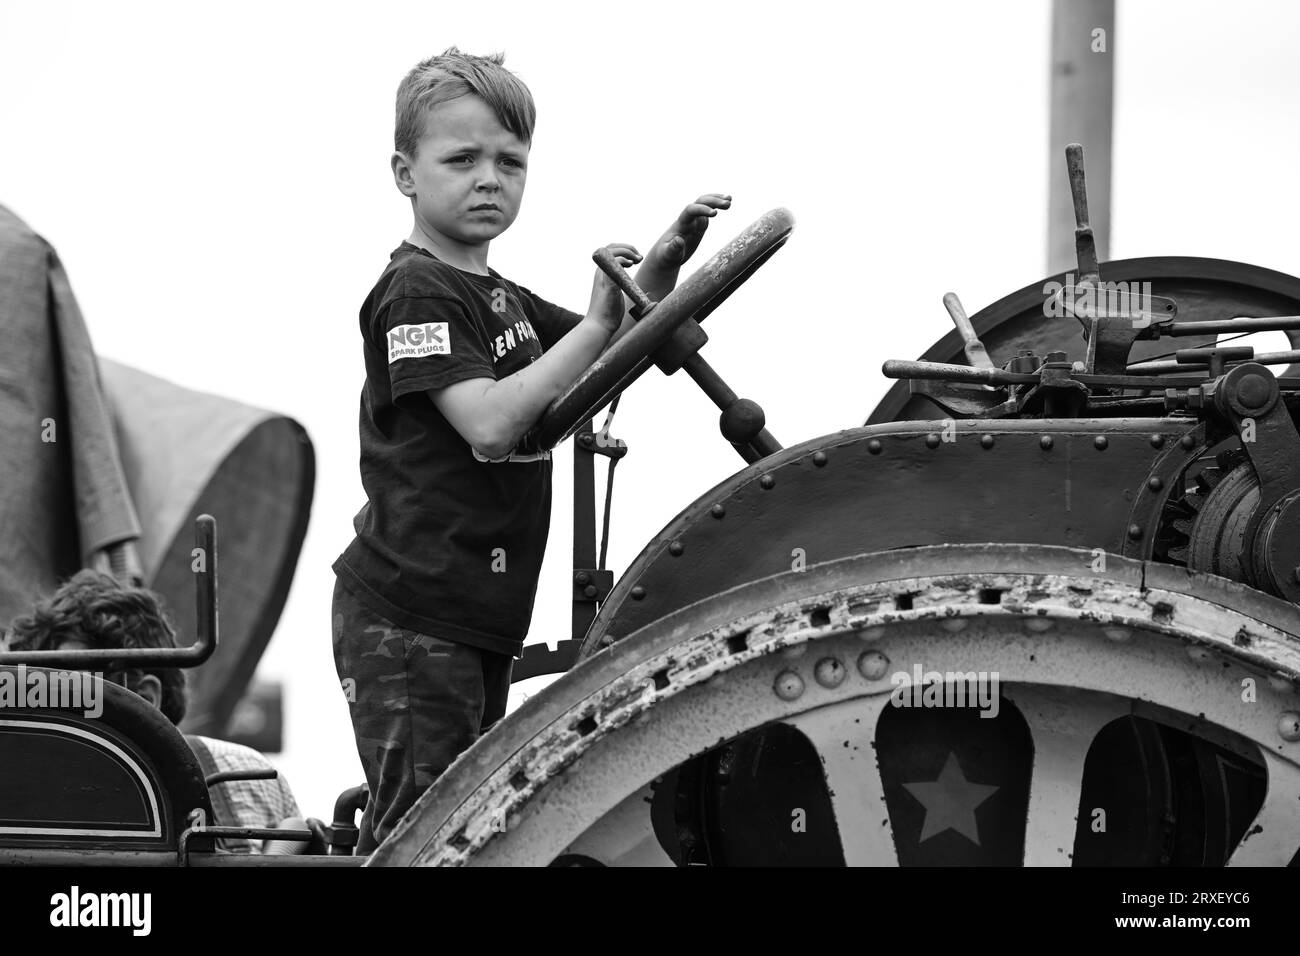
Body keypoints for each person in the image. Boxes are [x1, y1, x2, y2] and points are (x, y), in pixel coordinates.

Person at [331, 45, 730, 852]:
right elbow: (488, 422)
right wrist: (592, 324)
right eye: (462, 159)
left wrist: (659, 265)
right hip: (412, 615)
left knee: (470, 828)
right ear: (405, 173)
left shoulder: (496, 295)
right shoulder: (417, 291)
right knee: (425, 833)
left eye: (510, 162)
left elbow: (611, 338)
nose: (489, 178)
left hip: (475, 618)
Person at [5, 569, 309, 855]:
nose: (50, 722)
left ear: (144, 699)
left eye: (70, 697)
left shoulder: (242, 777)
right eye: (39, 701)